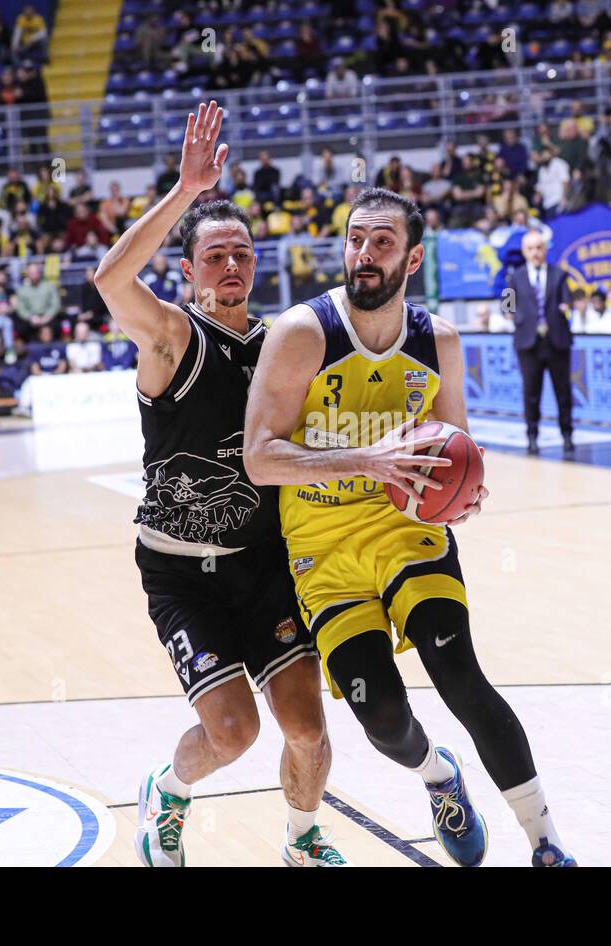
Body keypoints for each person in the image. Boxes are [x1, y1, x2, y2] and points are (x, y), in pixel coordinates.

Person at [243, 186, 578, 868]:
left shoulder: (437, 343)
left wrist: (464, 493)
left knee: (460, 675)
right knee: (385, 719)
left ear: (413, 257)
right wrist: (368, 458)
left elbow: (459, 445)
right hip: (322, 550)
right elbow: (258, 457)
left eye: (382, 243)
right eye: (356, 240)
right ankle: (439, 778)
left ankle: (547, 844)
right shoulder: (303, 334)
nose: (364, 255)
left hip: (406, 534)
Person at [92, 100, 343, 868]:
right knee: (234, 734)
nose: (230, 266)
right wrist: (186, 191)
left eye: (241, 253)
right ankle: (167, 791)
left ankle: (303, 842)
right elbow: (108, 278)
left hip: (265, 566)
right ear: (190, 270)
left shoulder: (285, 344)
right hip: (181, 571)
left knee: (306, 727)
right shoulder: (171, 337)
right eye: (214, 255)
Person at [507, 229, 575, 456]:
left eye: (539, 247)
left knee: (563, 391)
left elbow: (568, 300)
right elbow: (507, 306)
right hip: (528, 342)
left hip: (556, 341)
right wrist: (516, 316)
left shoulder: (559, 274)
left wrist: (567, 307)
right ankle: (532, 436)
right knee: (531, 393)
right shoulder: (514, 276)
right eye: (531, 248)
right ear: (525, 252)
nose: (535, 252)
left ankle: (567, 435)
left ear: (545, 249)